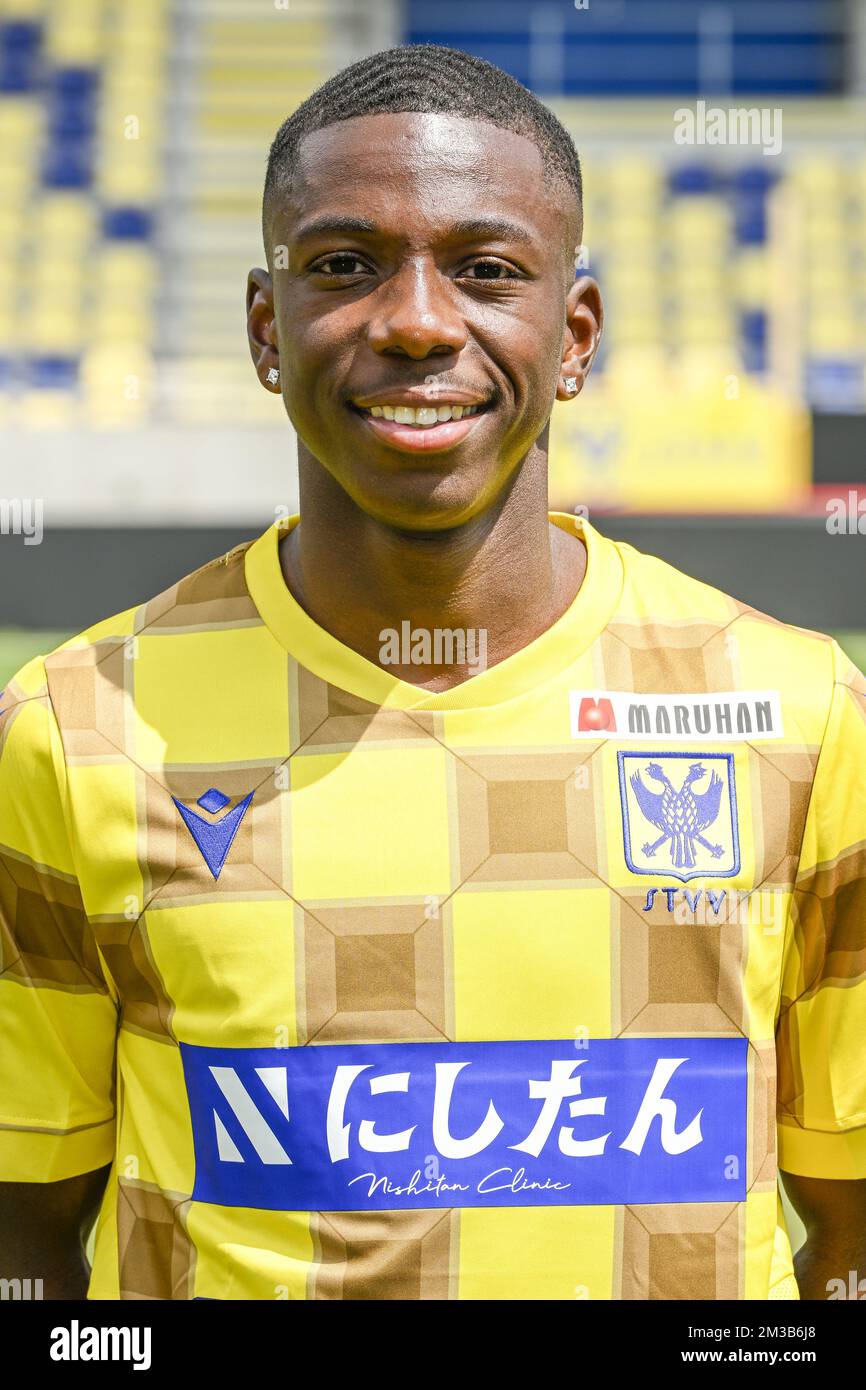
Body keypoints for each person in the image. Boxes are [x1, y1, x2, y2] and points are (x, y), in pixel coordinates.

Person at [1, 43, 864, 1302]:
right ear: (264, 326)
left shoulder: (797, 716)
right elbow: (24, 1246)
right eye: (344, 266)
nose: (413, 321)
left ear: (571, 336)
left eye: (485, 271)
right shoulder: (73, 731)